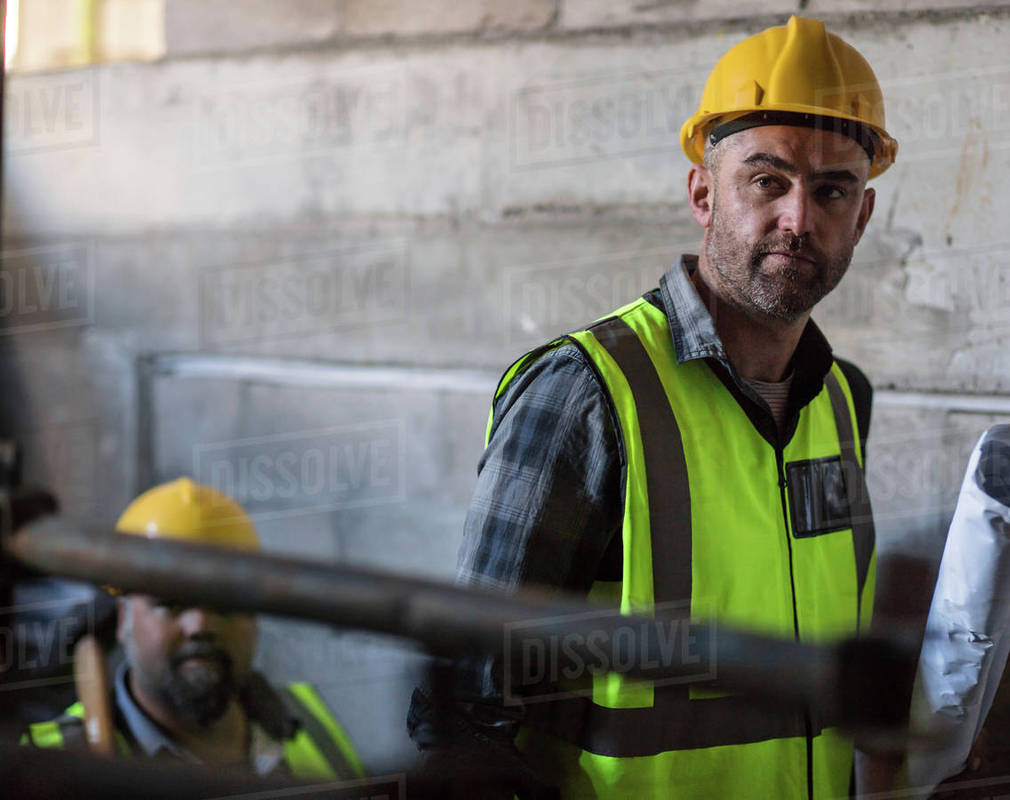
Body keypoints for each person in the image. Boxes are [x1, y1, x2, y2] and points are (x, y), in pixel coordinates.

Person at [409, 15, 898, 798]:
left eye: (832, 190)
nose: (798, 220)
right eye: (767, 180)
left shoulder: (844, 401)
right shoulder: (586, 395)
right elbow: (464, 712)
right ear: (703, 194)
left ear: (863, 216)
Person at [21, 477, 365, 782]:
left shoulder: (307, 721)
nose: (200, 625)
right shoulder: (45, 763)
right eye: (170, 603)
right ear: (124, 618)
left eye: (225, 601)